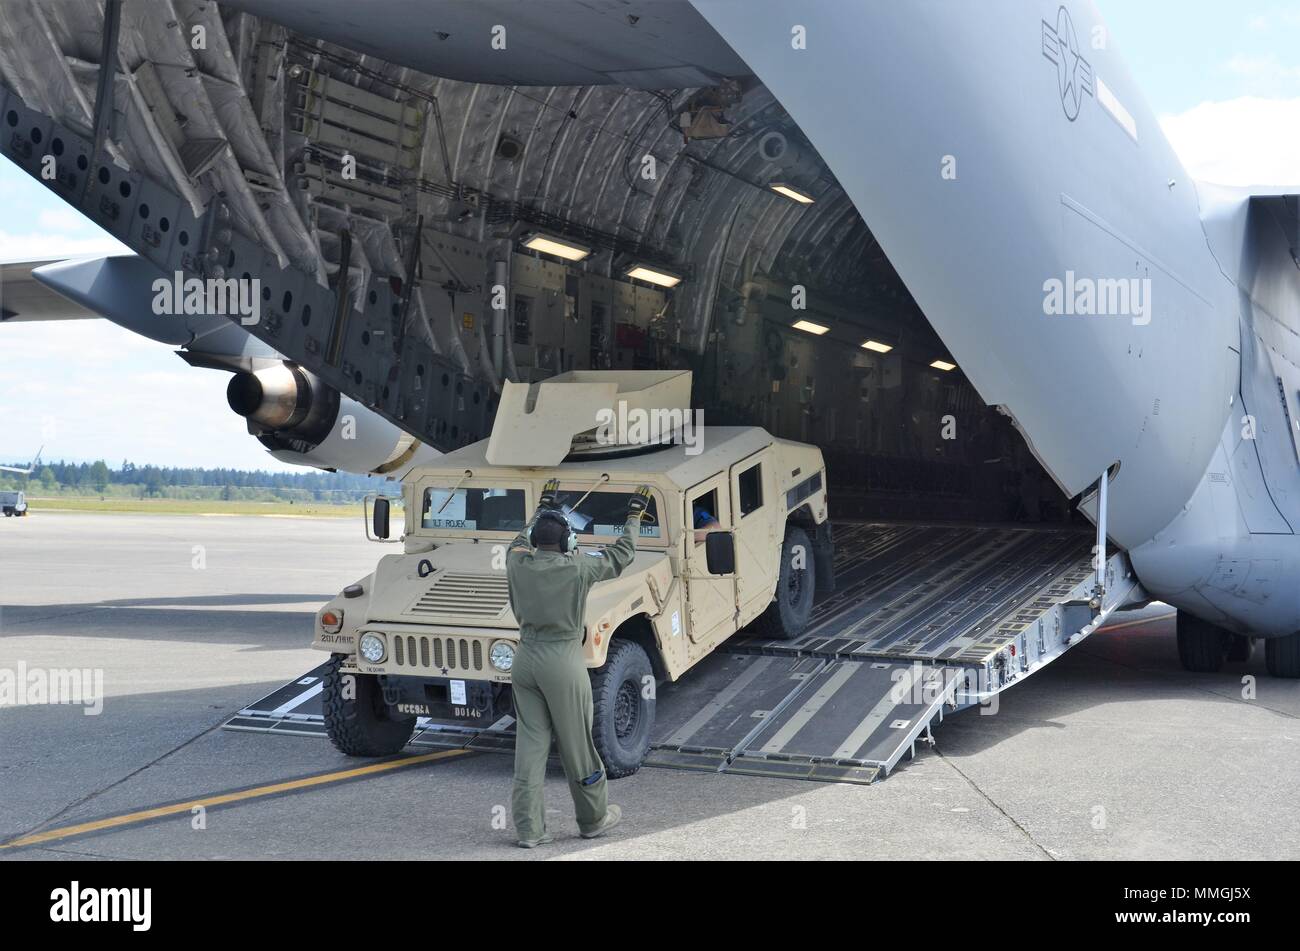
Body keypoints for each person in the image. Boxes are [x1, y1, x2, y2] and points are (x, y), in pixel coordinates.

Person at [505, 477, 651, 848]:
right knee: (578, 746)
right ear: (568, 542)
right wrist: (633, 516)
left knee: (530, 748)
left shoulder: (517, 562)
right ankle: (593, 819)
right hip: (562, 660)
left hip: (525, 661)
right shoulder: (579, 568)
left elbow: (521, 538)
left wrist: (542, 507)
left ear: (536, 541)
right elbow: (623, 554)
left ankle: (529, 830)